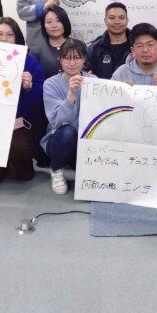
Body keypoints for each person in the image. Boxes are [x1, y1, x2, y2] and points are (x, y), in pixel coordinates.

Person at [0, 16, 43, 184]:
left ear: (16, 38)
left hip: (17, 124)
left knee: (25, 175)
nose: (4, 38)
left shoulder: (28, 61)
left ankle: (15, 158)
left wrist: (29, 87)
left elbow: (39, 100)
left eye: (10, 34)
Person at [41, 38, 92, 195]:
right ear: (60, 60)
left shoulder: (93, 81)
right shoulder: (50, 84)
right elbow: (56, 121)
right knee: (68, 131)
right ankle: (56, 170)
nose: (72, 63)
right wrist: (71, 94)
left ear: (84, 59)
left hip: (85, 140)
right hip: (60, 138)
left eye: (77, 57)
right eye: (67, 58)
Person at [85, 2, 132, 80]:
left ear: (127, 20)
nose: (117, 22)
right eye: (112, 18)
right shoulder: (94, 49)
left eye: (121, 18)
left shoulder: (137, 45)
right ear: (105, 20)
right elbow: (86, 73)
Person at [32, 5, 72, 79]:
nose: (54, 25)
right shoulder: (36, 51)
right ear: (43, 25)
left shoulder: (79, 46)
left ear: (65, 22)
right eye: (49, 22)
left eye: (58, 21)